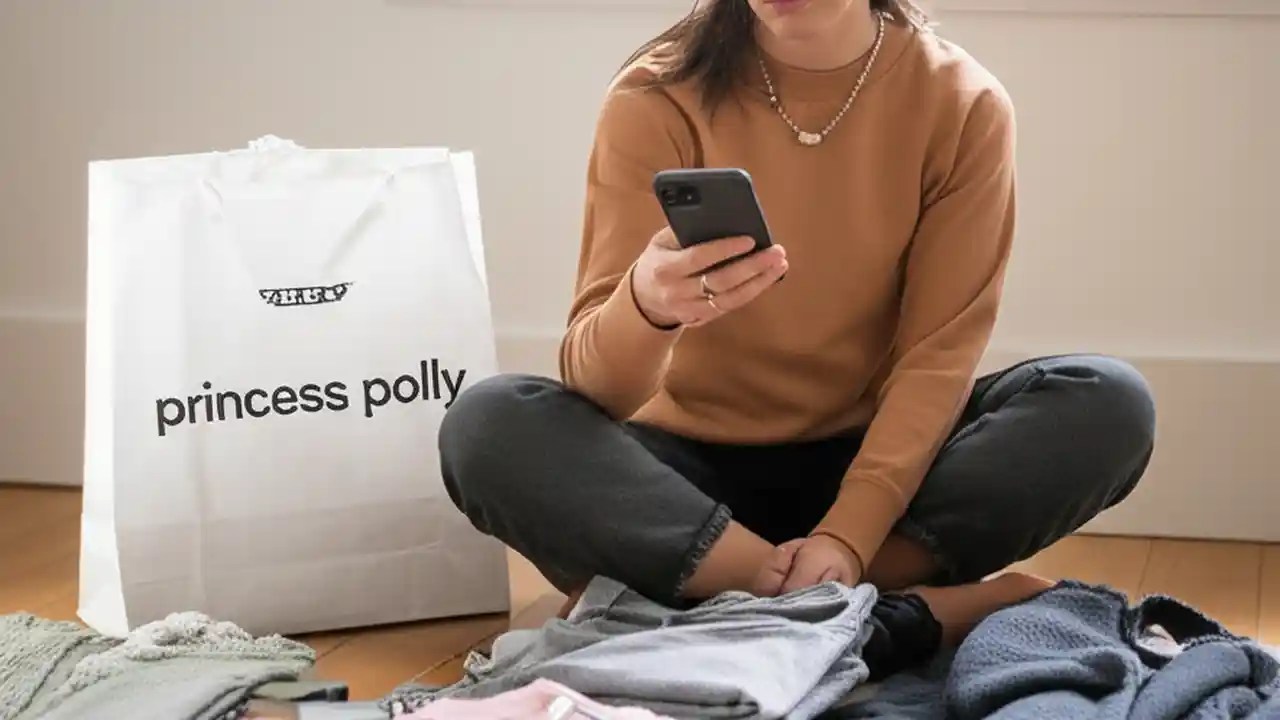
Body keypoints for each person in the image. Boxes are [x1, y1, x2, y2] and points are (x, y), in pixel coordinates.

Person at [440, 0, 1156, 644]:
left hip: (875, 471)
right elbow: (598, 389)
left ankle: (743, 598)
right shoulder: (655, 96)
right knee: (489, 424)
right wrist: (648, 306)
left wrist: (847, 537)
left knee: (1106, 402)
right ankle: (877, 613)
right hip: (677, 480)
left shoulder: (960, 102)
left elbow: (937, 357)